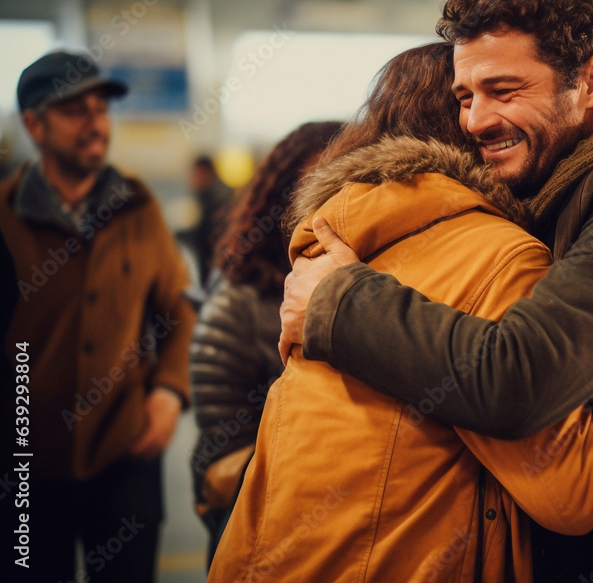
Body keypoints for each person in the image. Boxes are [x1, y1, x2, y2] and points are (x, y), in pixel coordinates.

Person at [211, 42, 593, 582]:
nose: (483, 115)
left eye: (500, 91)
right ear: (464, 131)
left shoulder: (335, 240)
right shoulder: (494, 254)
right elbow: (575, 491)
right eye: (468, 98)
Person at [0, 51, 195, 582]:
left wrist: (170, 393)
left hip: (126, 452)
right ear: (34, 125)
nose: (96, 123)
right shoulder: (5, 217)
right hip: (25, 467)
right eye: (74, 111)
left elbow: (177, 309)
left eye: (101, 109)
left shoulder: (137, 207)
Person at [189, 121, 340, 566]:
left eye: (348, 186)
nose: (332, 207)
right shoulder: (237, 308)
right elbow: (223, 464)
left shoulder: (376, 287)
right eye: (314, 189)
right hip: (267, 538)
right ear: (279, 202)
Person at [181, 154, 233, 289]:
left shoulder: (217, 200)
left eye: (196, 175)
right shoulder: (210, 197)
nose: (192, 180)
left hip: (218, 274)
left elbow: (206, 235)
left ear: (206, 173)